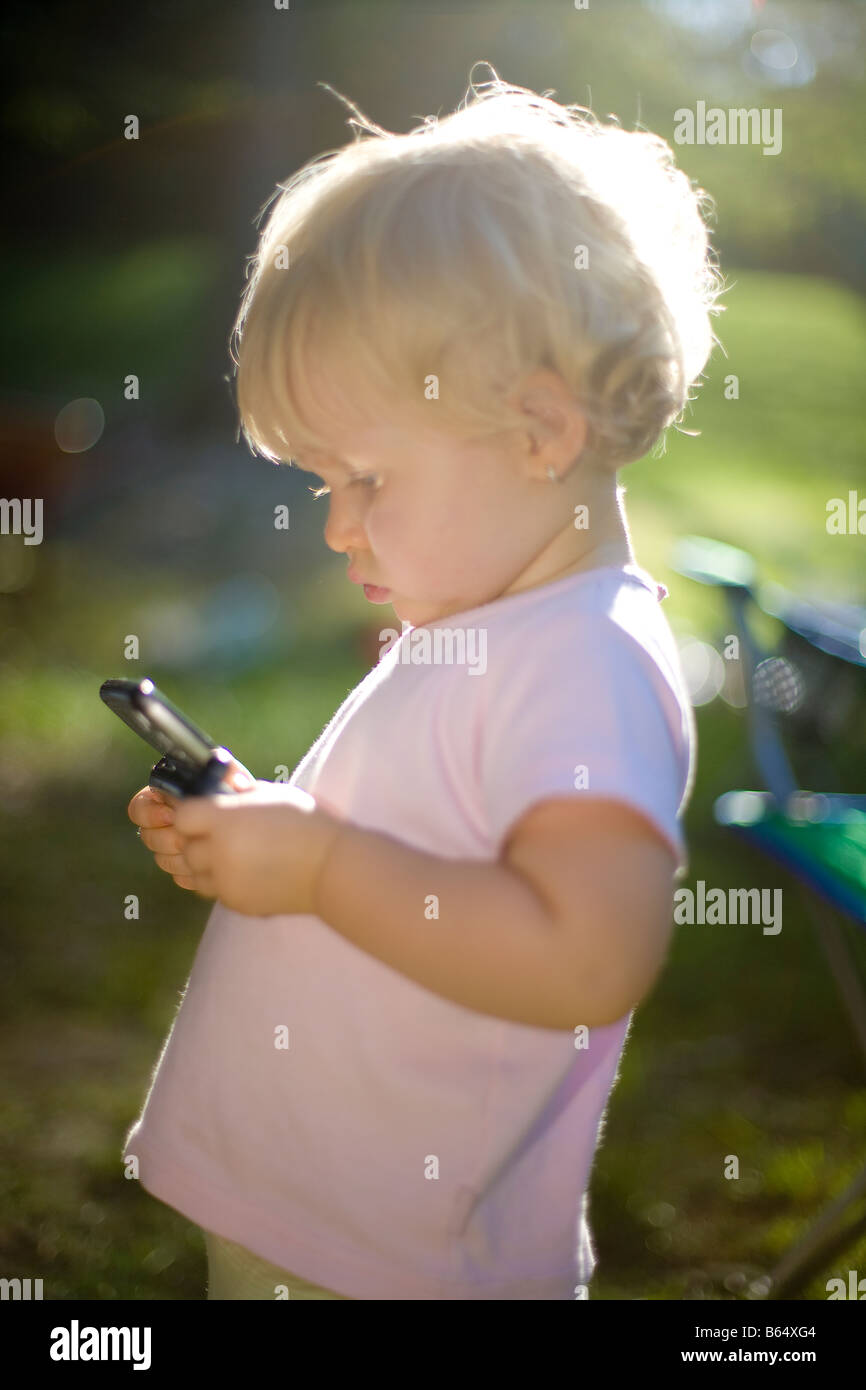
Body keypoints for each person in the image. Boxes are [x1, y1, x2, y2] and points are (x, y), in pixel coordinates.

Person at [124, 63, 723, 1300]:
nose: (337, 527)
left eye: (365, 479)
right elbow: (425, 847)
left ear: (539, 433)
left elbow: (586, 954)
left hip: (397, 1263)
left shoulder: (582, 662)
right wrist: (264, 835)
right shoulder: (495, 626)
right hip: (321, 1226)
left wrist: (322, 869)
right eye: (319, 486)